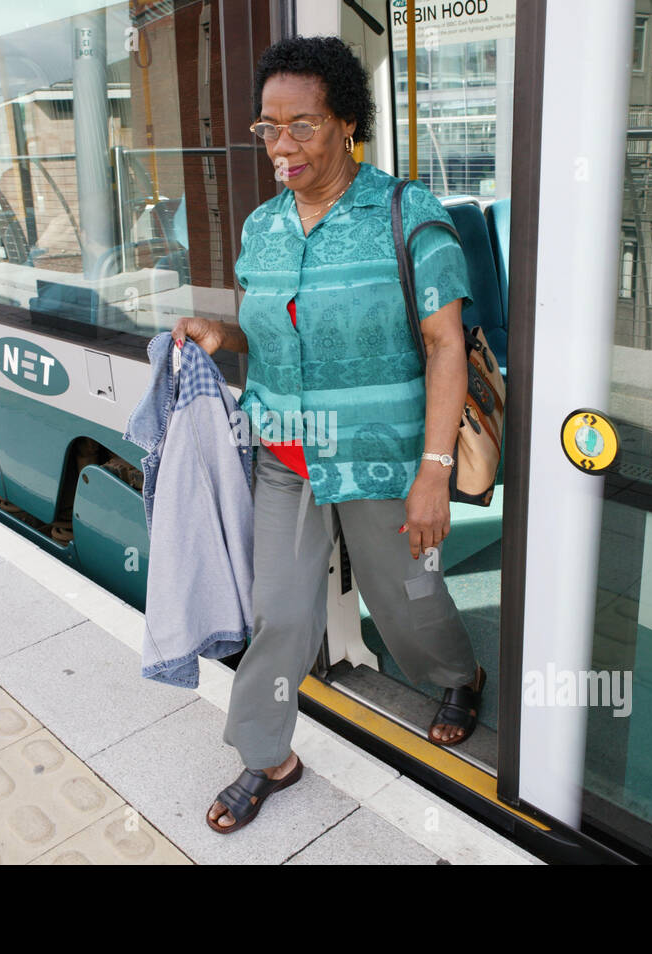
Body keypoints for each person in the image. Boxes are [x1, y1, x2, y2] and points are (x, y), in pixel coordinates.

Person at [171, 36, 487, 834]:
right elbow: (270, 333)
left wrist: (433, 471)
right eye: (268, 128)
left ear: (347, 122)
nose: (282, 147)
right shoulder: (263, 228)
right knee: (278, 613)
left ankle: (458, 675)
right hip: (285, 455)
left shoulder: (406, 214)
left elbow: (447, 345)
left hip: (382, 457)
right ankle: (265, 756)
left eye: (303, 126)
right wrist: (221, 332)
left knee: (404, 595)